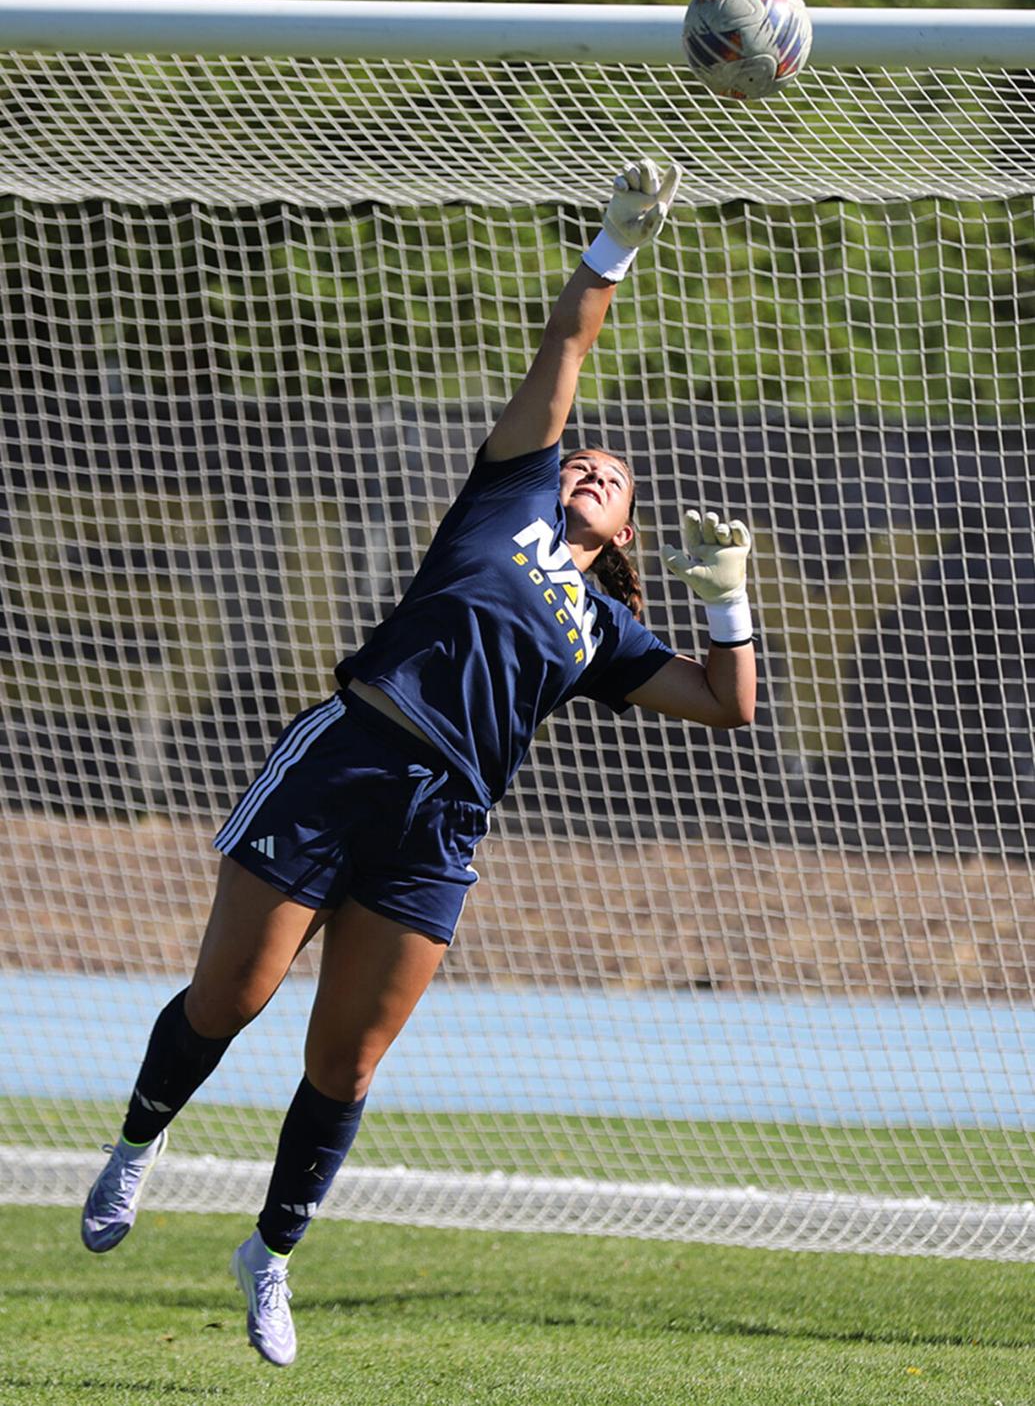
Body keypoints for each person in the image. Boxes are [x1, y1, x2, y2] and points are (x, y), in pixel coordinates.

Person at [80, 157, 757, 1367]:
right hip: (350, 753)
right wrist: (613, 245)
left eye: (615, 475)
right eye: (581, 460)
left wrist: (729, 596)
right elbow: (564, 352)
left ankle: (269, 1254)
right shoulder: (504, 502)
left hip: (442, 822)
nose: (593, 466)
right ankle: (136, 1147)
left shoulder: (604, 627)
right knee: (232, 999)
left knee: (345, 1058)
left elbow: (726, 705)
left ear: (628, 532)